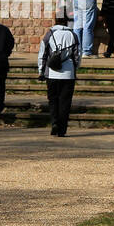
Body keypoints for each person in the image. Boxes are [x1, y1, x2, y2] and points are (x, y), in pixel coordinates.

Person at [37, 9, 81, 137]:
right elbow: (77, 55)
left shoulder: (49, 34)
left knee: (53, 100)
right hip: (68, 73)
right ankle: (62, 129)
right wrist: (75, 67)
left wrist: (41, 70)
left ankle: (54, 122)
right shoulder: (73, 35)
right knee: (65, 102)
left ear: (55, 19)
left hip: (52, 73)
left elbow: (42, 54)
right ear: (67, 21)